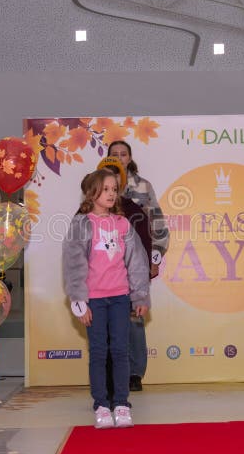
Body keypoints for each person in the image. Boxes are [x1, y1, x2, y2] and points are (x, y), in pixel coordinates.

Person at [62, 168, 150, 428]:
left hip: (120, 297)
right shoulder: (82, 224)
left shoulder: (123, 224)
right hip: (94, 300)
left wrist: (140, 296)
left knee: (121, 350)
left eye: (114, 189)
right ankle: (101, 404)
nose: (111, 194)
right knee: (99, 352)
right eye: (105, 189)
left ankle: (121, 404)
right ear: (92, 193)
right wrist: (79, 300)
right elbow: (73, 263)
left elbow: (136, 262)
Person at [108, 140, 169, 391]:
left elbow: (157, 223)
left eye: (123, 154)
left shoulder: (143, 186)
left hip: (136, 261)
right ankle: (112, 373)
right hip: (106, 263)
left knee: (135, 317)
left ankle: (135, 373)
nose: (119, 158)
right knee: (107, 319)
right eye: (114, 154)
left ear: (130, 158)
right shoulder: (98, 185)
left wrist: (155, 257)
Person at [96, 157, 153, 401]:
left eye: (115, 176)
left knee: (133, 325)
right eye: (105, 178)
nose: (111, 184)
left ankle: (135, 374)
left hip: (128, 282)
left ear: (121, 181)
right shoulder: (85, 214)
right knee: (103, 333)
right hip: (99, 285)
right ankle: (107, 381)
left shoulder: (133, 211)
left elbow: (143, 247)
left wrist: (141, 281)